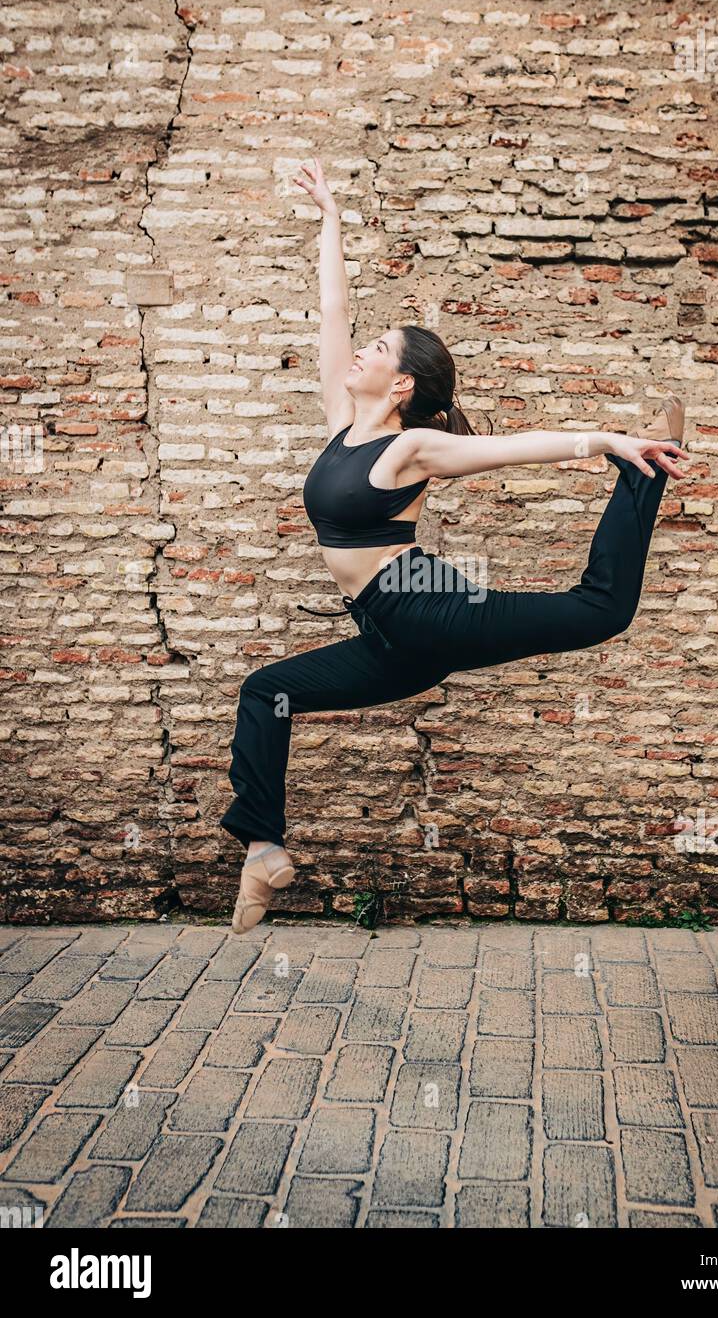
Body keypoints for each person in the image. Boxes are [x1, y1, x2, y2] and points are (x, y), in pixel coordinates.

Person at [221, 158, 690, 933]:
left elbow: (513, 448)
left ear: (401, 384)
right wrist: (330, 218)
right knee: (268, 691)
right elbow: (330, 309)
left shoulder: (410, 452)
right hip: (387, 631)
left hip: (427, 607)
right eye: (367, 346)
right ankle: (264, 848)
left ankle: (643, 473)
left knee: (600, 610)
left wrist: (606, 438)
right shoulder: (342, 423)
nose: (363, 352)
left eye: (379, 348)